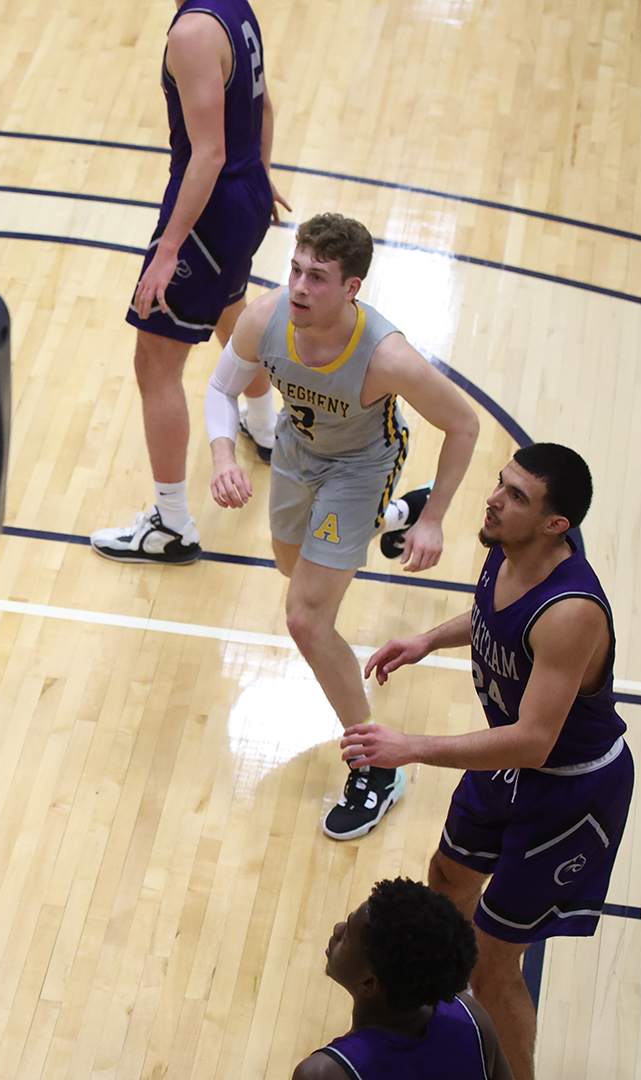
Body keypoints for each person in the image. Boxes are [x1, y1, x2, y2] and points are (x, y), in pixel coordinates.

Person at [349, 444, 632, 1080]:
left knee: (494, 961)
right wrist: (428, 638)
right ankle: (434, 1025)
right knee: (447, 879)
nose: (495, 499)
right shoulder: (507, 548)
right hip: (508, 765)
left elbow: (534, 740)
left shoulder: (571, 612)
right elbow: (490, 612)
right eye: (501, 484)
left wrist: (413, 747)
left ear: (555, 525)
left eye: (517, 496)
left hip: (569, 790)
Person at [202, 212, 479, 841]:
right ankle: (396, 514)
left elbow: (463, 425)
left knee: (305, 616)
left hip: (359, 468)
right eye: (296, 269)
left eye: (318, 278)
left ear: (352, 288)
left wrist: (437, 523)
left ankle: (376, 767)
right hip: (298, 455)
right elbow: (221, 389)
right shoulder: (266, 315)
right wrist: (223, 455)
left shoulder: (389, 356)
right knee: (290, 565)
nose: (299, 287)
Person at [90, 0, 291, 565]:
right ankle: (264, 425)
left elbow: (208, 152)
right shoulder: (232, 8)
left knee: (154, 364)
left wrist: (169, 249)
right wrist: (260, 175)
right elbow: (264, 105)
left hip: (209, 208)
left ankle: (171, 523)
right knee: (232, 309)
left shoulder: (193, 31)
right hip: (242, 193)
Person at [296, 877, 513, 1080]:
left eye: (346, 937)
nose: (337, 929)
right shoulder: (471, 1017)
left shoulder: (325, 1074)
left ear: (369, 983)